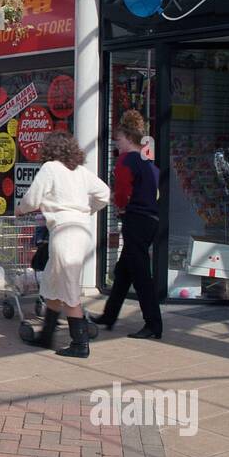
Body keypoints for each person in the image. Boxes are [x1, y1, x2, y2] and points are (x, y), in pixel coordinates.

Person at [16, 130, 111, 357]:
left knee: (67, 287)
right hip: (80, 230)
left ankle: (80, 344)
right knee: (52, 281)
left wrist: (20, 209)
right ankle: (47, 335)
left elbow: (32, 199)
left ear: (50, 149)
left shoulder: (50, 168)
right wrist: (86, 210)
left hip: (64, 232)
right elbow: (104, 194)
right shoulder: (80, 171)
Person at [97, 109, 163, 339]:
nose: (117, 142)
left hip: (135, 218)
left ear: (128, 137)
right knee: (124, 271)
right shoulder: (147, 161)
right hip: (150, 219)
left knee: (142, 275)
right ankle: (109, 315)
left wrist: (120, 206)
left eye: (119, 138)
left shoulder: (126, 160)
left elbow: (122, 191)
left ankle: (153, 324)